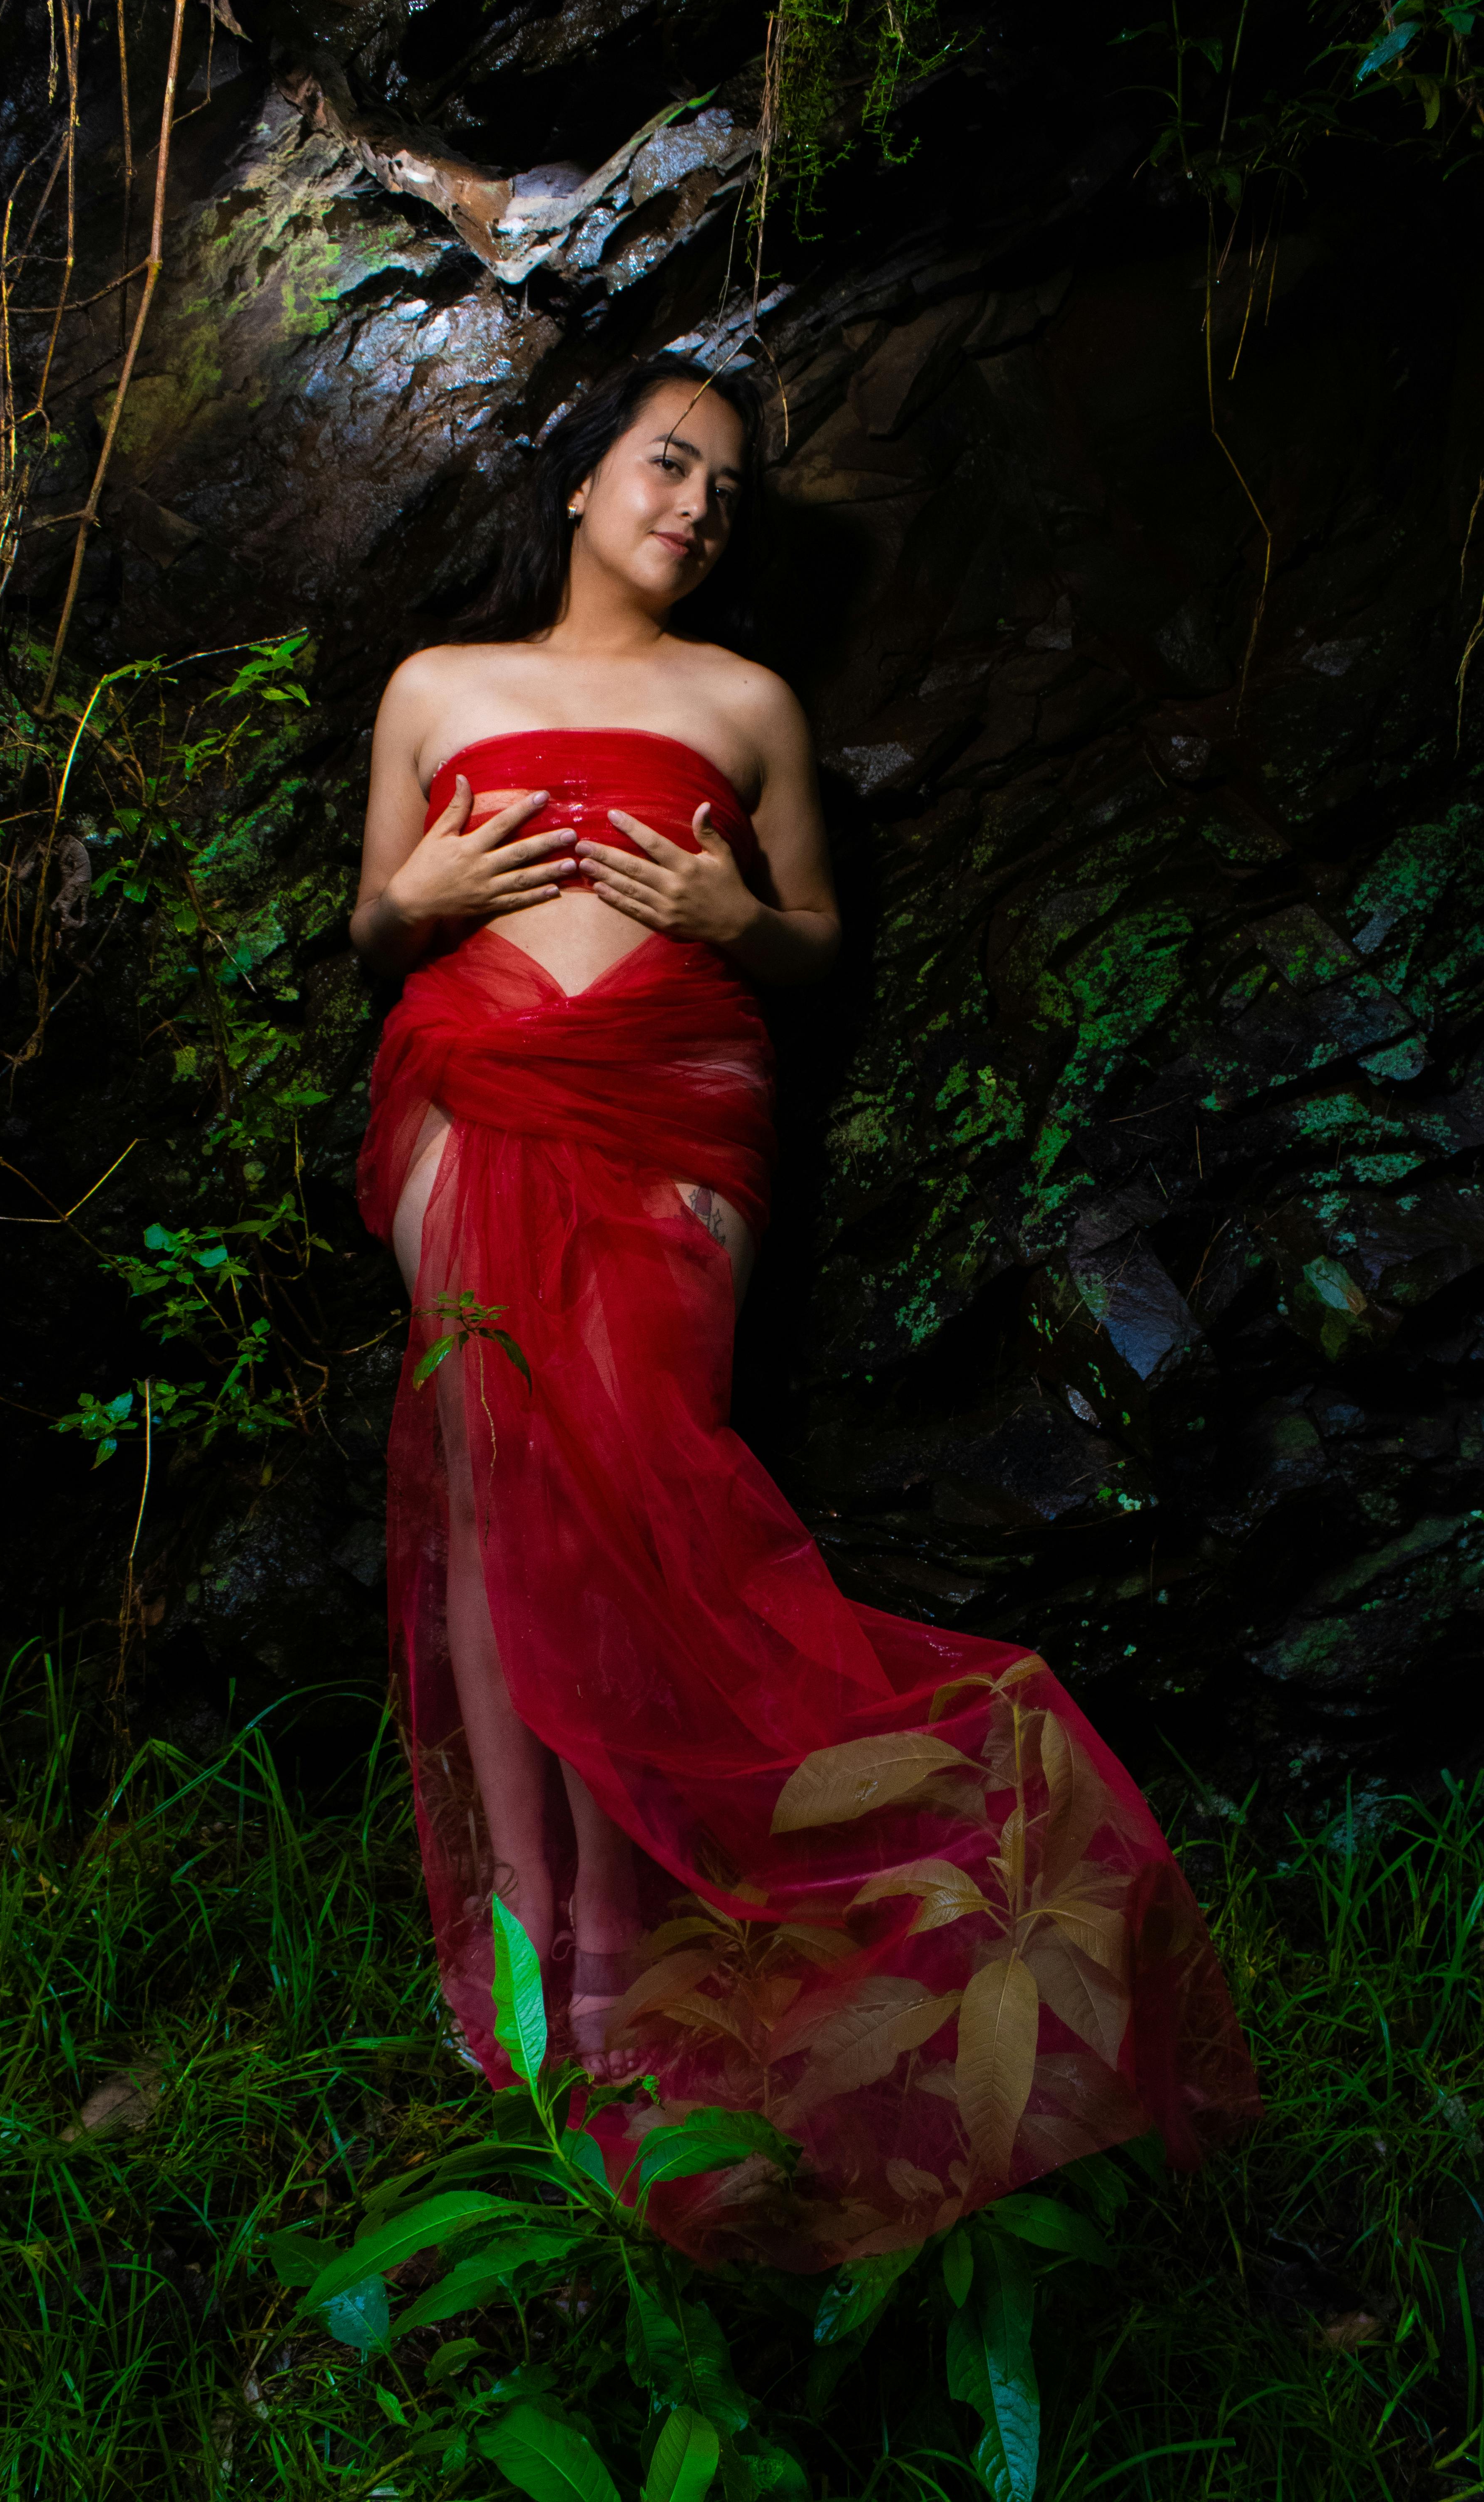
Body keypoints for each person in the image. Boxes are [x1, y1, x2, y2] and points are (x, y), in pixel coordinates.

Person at [351, 356, 1257, 2268]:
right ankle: (526, 1942)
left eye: (727, 493)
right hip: (478, 1083)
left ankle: (635, 1957)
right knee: (498, 1501)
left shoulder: (744, 706)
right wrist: (416, 889)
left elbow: (817, 942)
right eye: (669, 465)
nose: (695, 506)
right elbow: (380, 913)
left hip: (680, 1090)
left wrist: (726, 916)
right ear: (580, 474)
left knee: (645, 1490)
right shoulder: (437, 685)